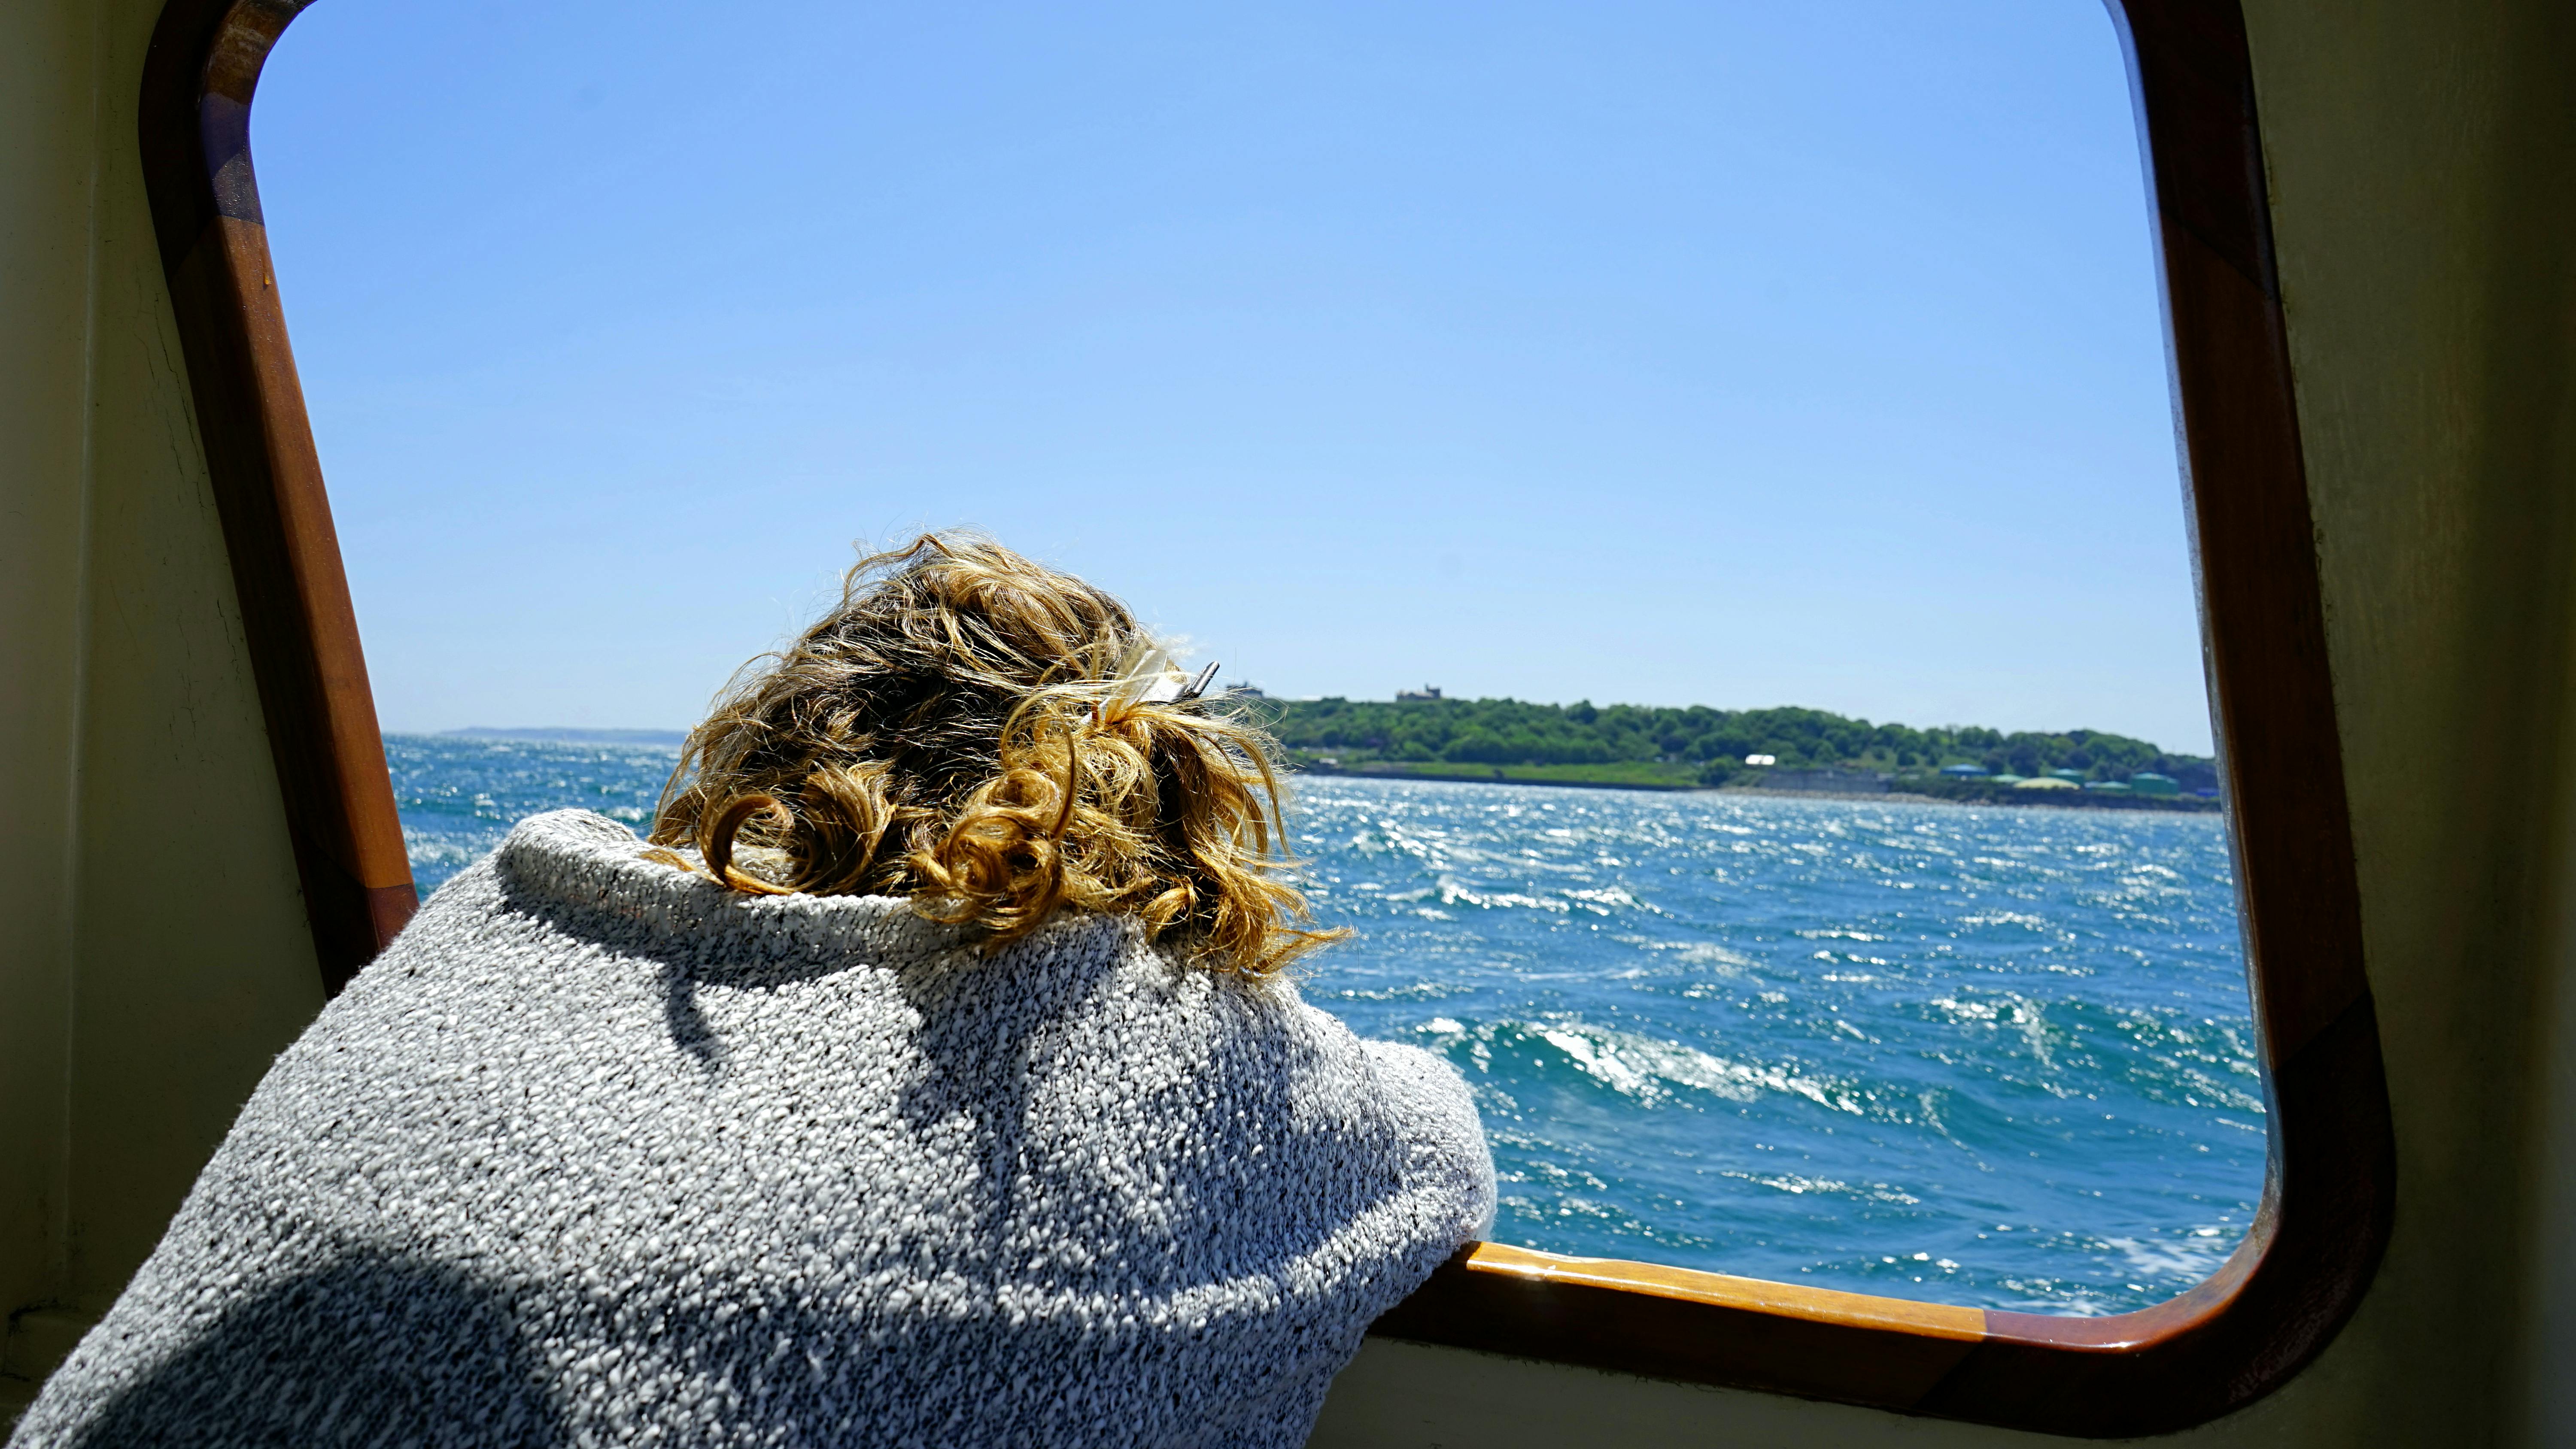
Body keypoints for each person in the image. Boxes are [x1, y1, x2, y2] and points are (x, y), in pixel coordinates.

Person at [11, 535, 1495, 1449]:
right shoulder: (1156, 1035)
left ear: (769, 739)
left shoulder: (502, 908)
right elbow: (1443, 1151)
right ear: (1149, 788)